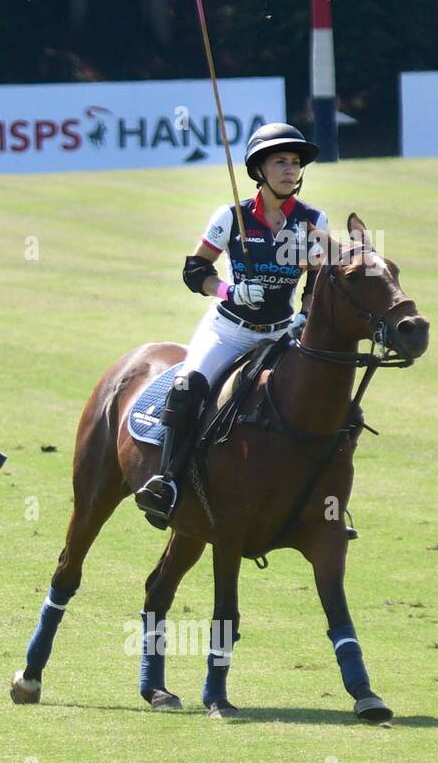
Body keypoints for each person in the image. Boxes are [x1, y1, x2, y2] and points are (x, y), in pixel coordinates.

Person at [133, 122, 329, 528]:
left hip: (280, 332)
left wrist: (305, 317)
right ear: (259, 169)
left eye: (295, 163)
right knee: (188, 387)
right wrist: (227, 291)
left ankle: (320, 495)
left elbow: (316, 280)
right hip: (228, 329)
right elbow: (194, 270)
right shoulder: (231, 216)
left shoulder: (312, 220)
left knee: (318, 395)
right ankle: (166, 481)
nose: (290, 170)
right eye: (280, 162)